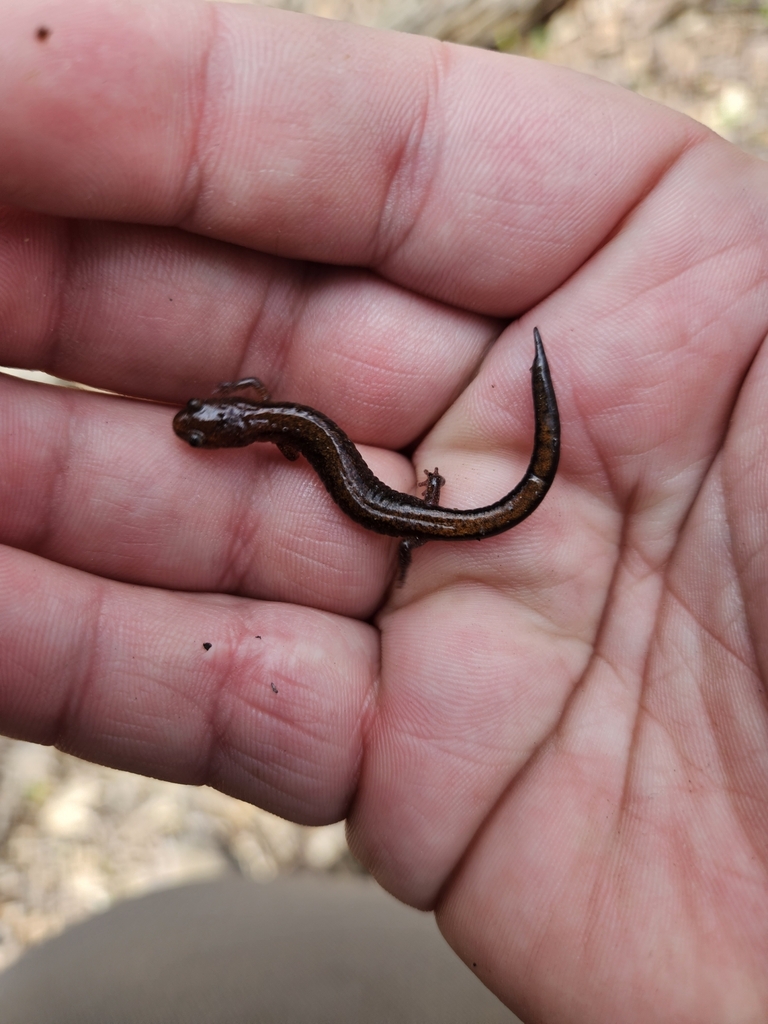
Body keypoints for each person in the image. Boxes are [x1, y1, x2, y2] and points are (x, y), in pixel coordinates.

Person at [0, 0, 766, 1021]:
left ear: (236, 427)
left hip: (408, 516)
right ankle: (452, 500)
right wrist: (412, 505)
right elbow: (273, 415)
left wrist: (412, 524)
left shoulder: (280, 433)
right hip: (407, 508)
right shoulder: (276, 419)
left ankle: (444, 510)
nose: (205, 426)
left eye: (208, 423)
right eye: (208, 423)